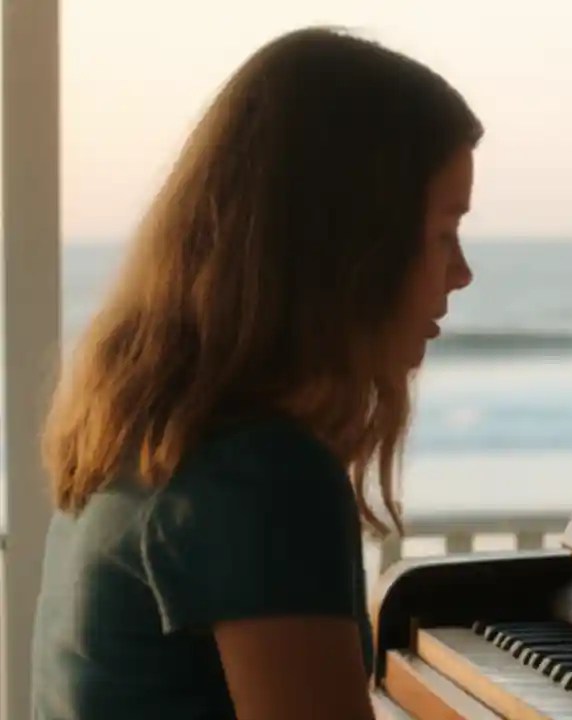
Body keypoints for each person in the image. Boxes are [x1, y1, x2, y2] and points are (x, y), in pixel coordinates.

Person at [32, 26, 480, 719]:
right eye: (444, 233)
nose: (461, 273)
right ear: (353, 248)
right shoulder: (262, 472)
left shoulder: (146, 433)